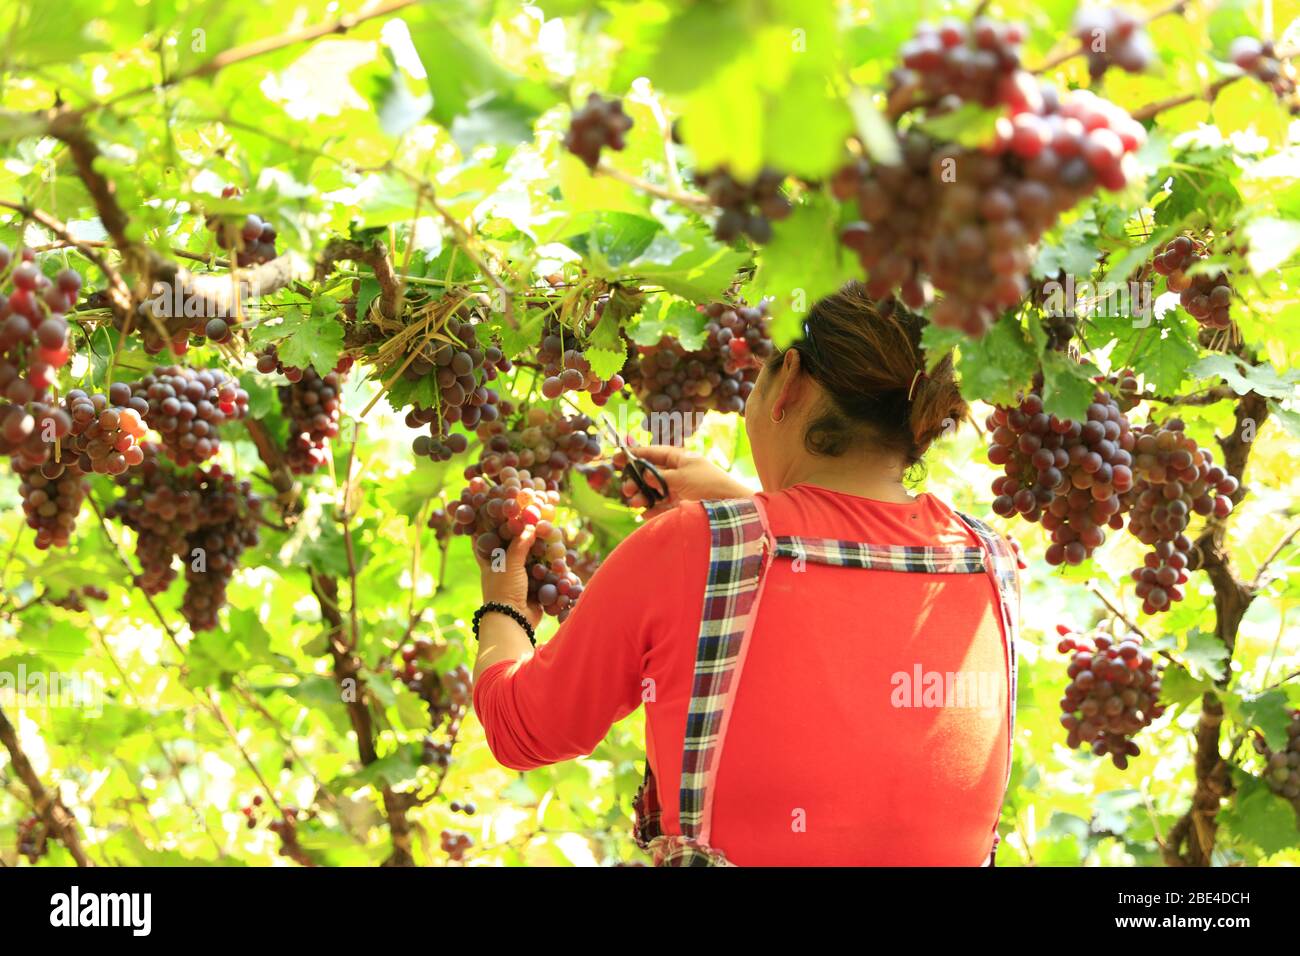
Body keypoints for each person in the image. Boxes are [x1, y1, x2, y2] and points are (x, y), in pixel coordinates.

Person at [471, 282, 1021, 866]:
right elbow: (850, 586)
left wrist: (503, 608)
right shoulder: (988, 560)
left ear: (789, 381)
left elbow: (523, 729)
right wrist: (743, 506)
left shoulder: (688, 549)